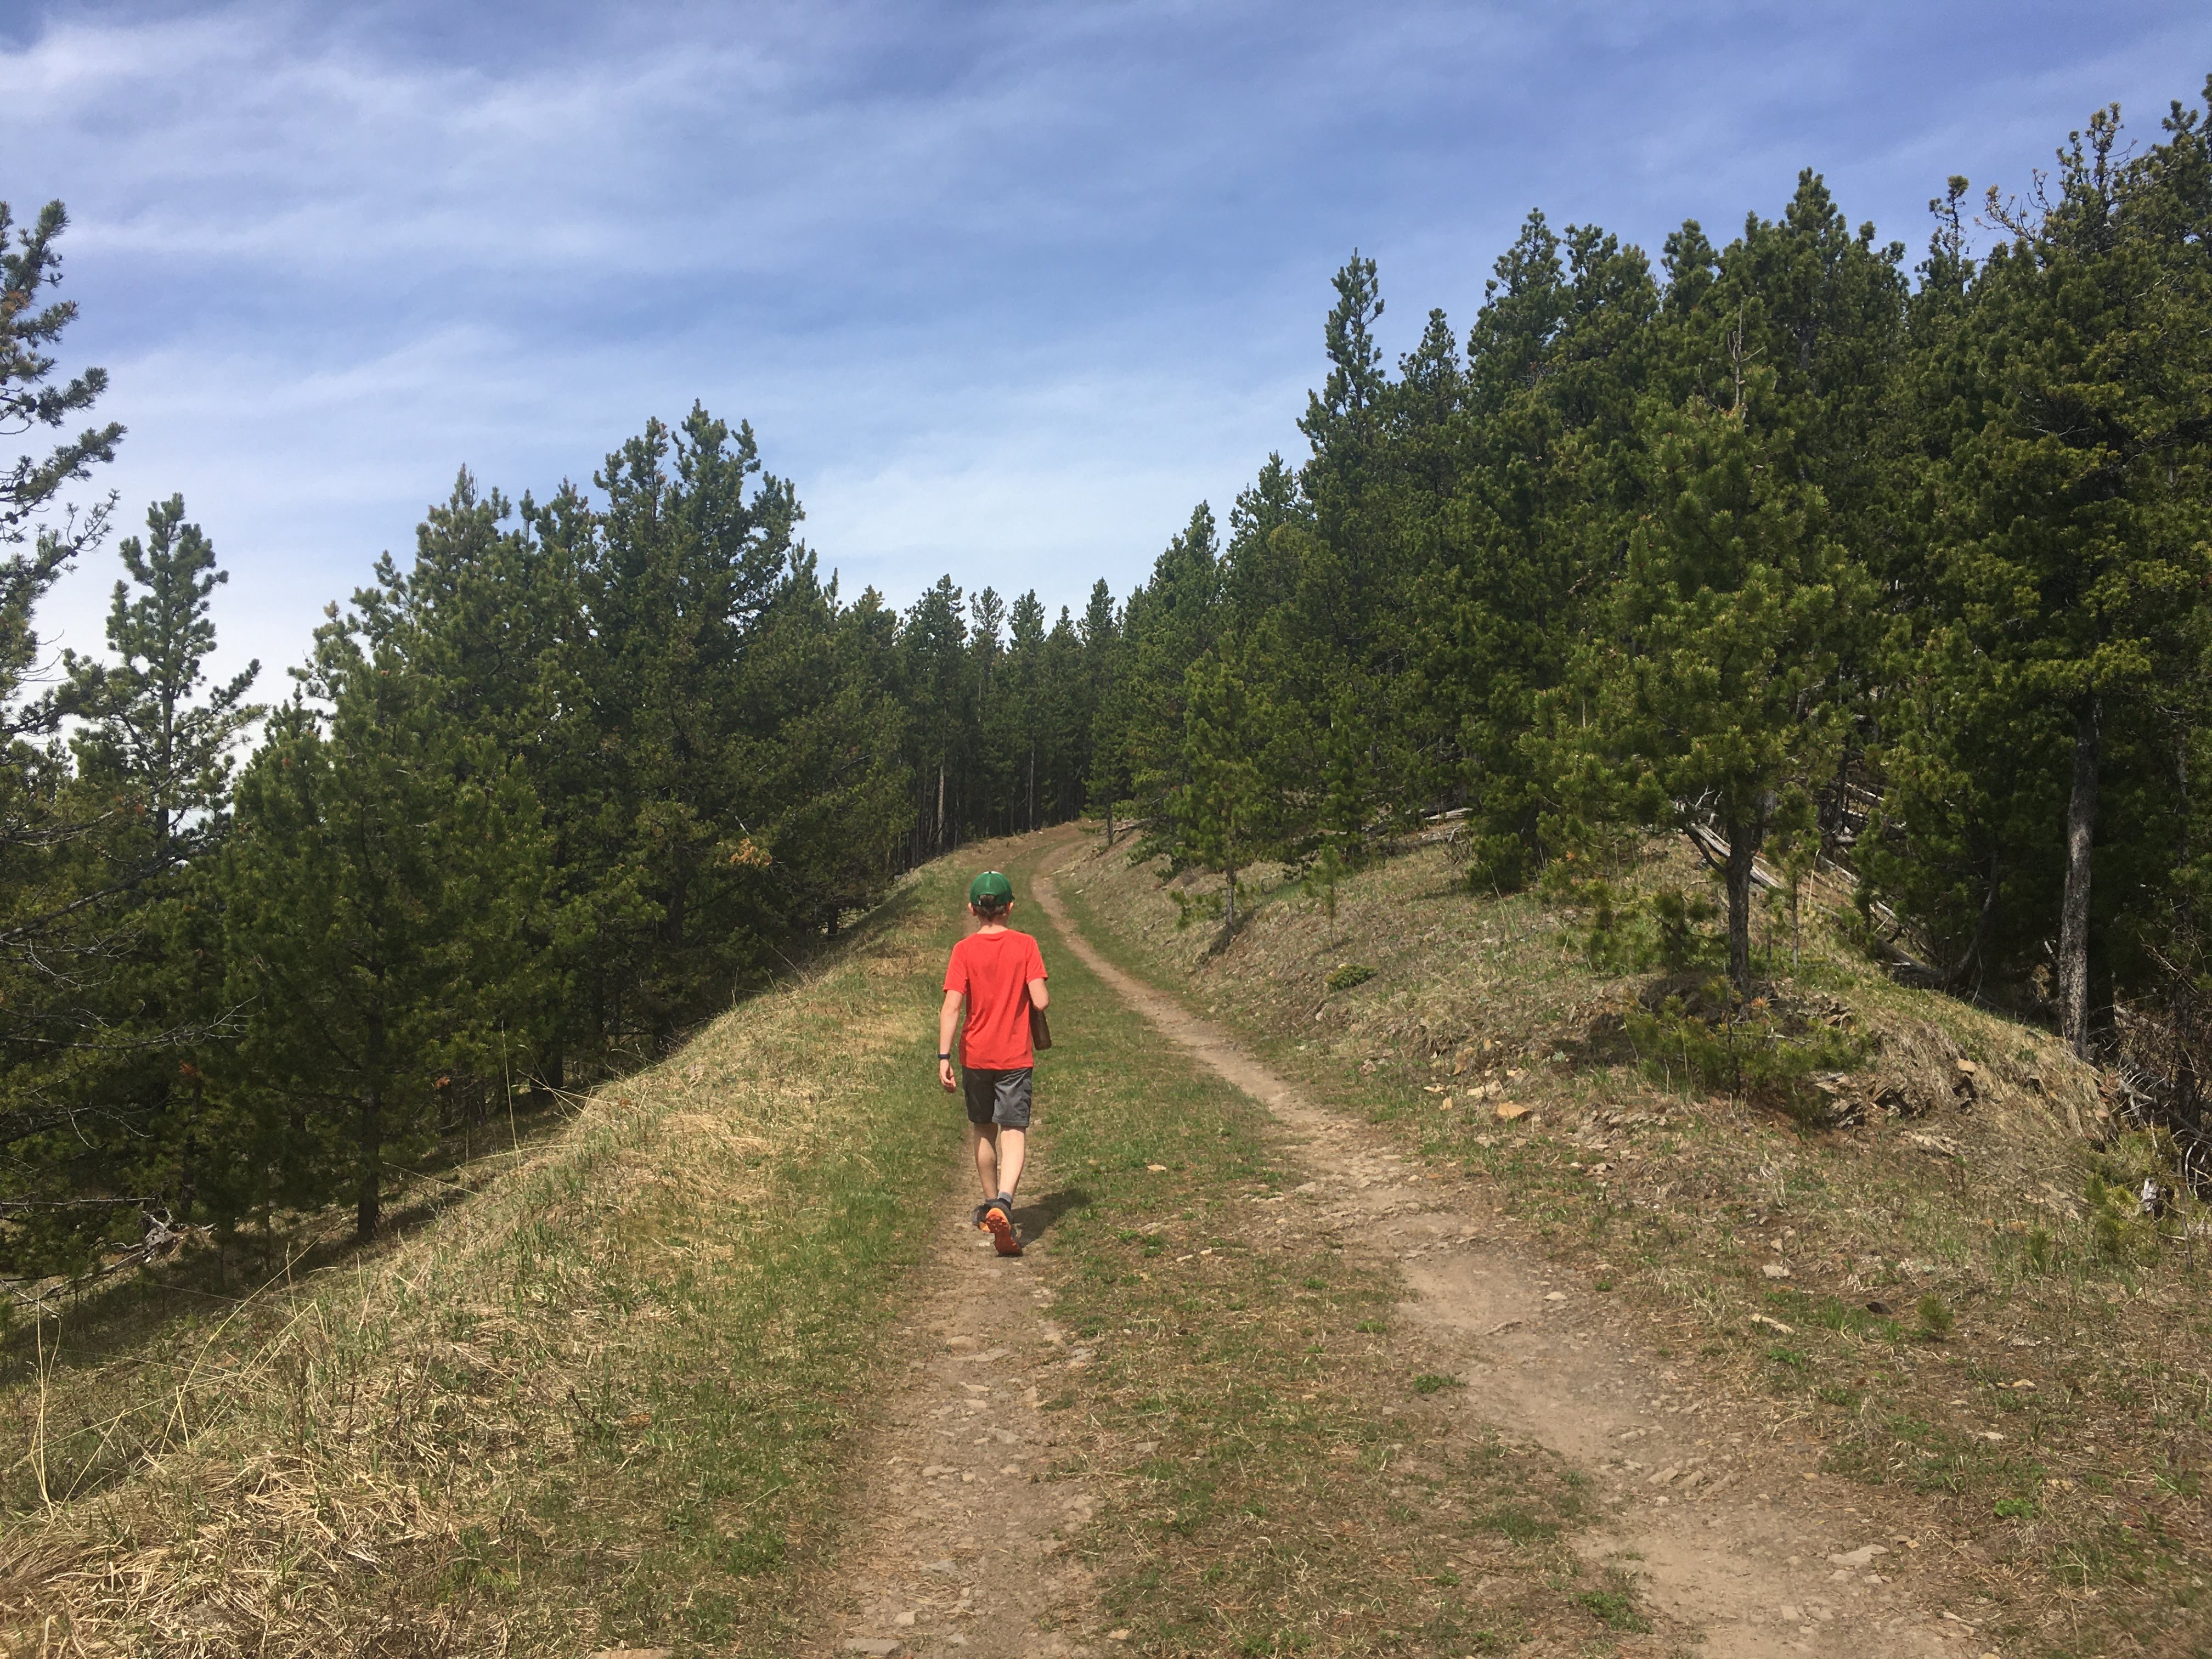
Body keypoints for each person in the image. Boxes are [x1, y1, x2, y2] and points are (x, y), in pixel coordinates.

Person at [939, 870, 1049, 1257]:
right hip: (1015, 1056)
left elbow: (952, 1006)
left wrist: (943, 1056)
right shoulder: (1026, 945)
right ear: (1010, 908)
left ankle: (989, 1207)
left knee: (983, 1128)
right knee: (1013, 1129)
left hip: (975, 1056)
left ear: (972, 910)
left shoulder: (963, 951)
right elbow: (1041, 1001)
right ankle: (1005, 1200)